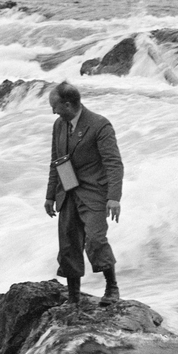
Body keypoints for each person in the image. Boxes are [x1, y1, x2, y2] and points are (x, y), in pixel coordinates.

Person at [44, 82, 123, 307]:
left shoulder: (100, 125)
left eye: (55, 106)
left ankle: (112, 287)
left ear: (68, 104)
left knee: (96, 239)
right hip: (67, 192)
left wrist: (114, 197)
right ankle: (73, 297)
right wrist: (50, 196)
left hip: (94, 193)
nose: (53, 111)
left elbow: (114, 164)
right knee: (68, 244)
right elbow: (55, 162)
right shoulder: (59, 125)